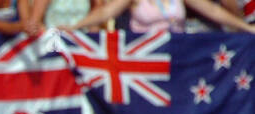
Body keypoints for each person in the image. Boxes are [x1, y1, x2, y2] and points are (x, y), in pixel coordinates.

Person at [63, 0, 255, 30]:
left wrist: (247, 28)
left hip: (176, 55)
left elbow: (212, 10)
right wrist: (74, 27)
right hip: (147, 59)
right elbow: (106, 11)